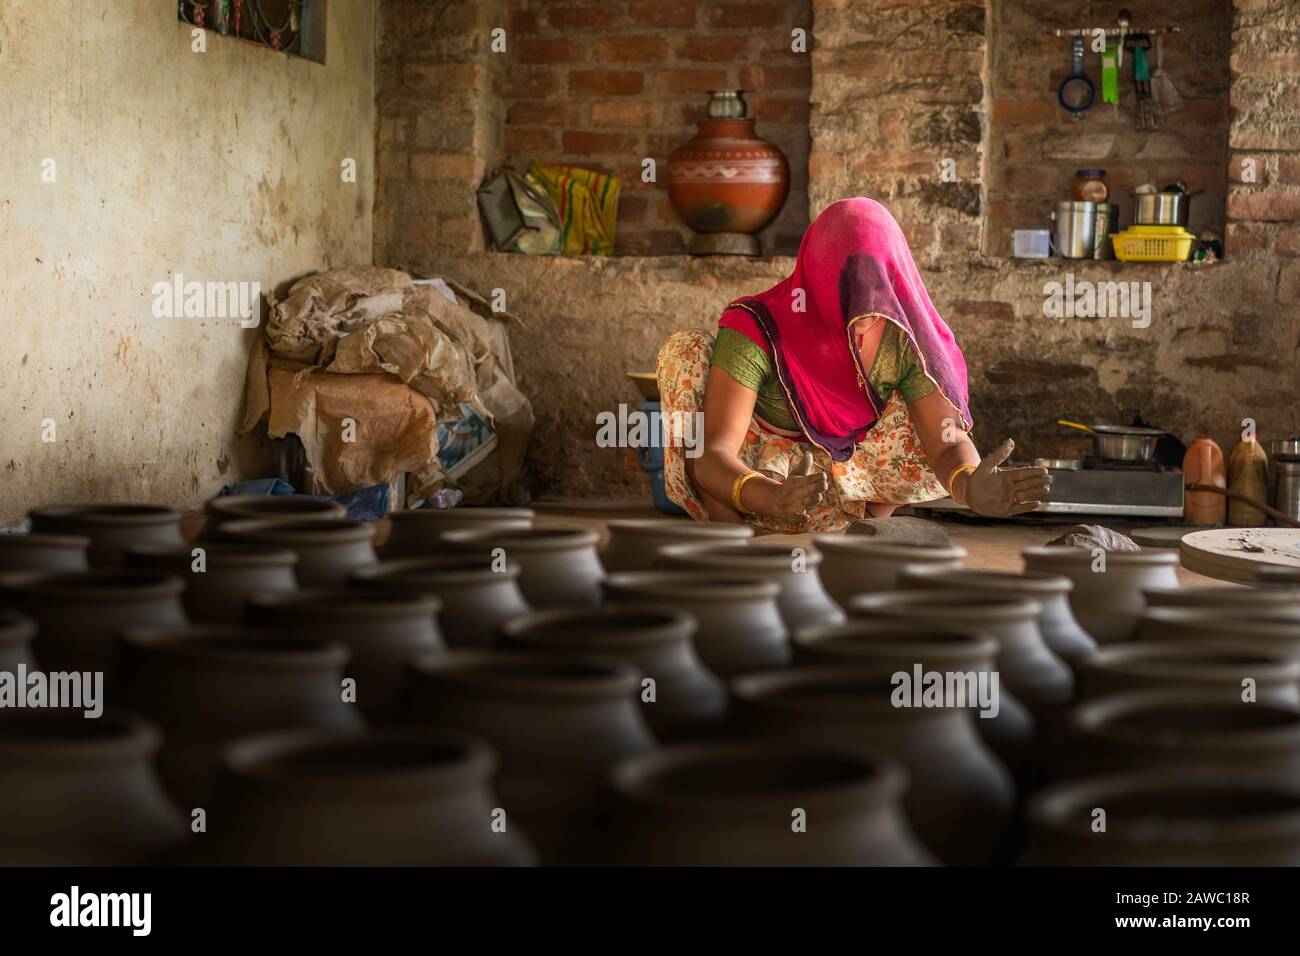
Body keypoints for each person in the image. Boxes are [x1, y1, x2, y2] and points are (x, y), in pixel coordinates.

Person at [656, 198, 1051, 532]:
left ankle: (874, 529)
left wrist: (968, 487)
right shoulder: (758, 327)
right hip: (757, 489)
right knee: (685, 351)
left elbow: (944, 444)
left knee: (922, 402)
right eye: (847, 295)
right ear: (818, 277)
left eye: (875, 295)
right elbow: (711, 454)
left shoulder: (902, 338)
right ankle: (730, 534)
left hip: (834, 500)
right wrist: (771, 496)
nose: (863, 318)